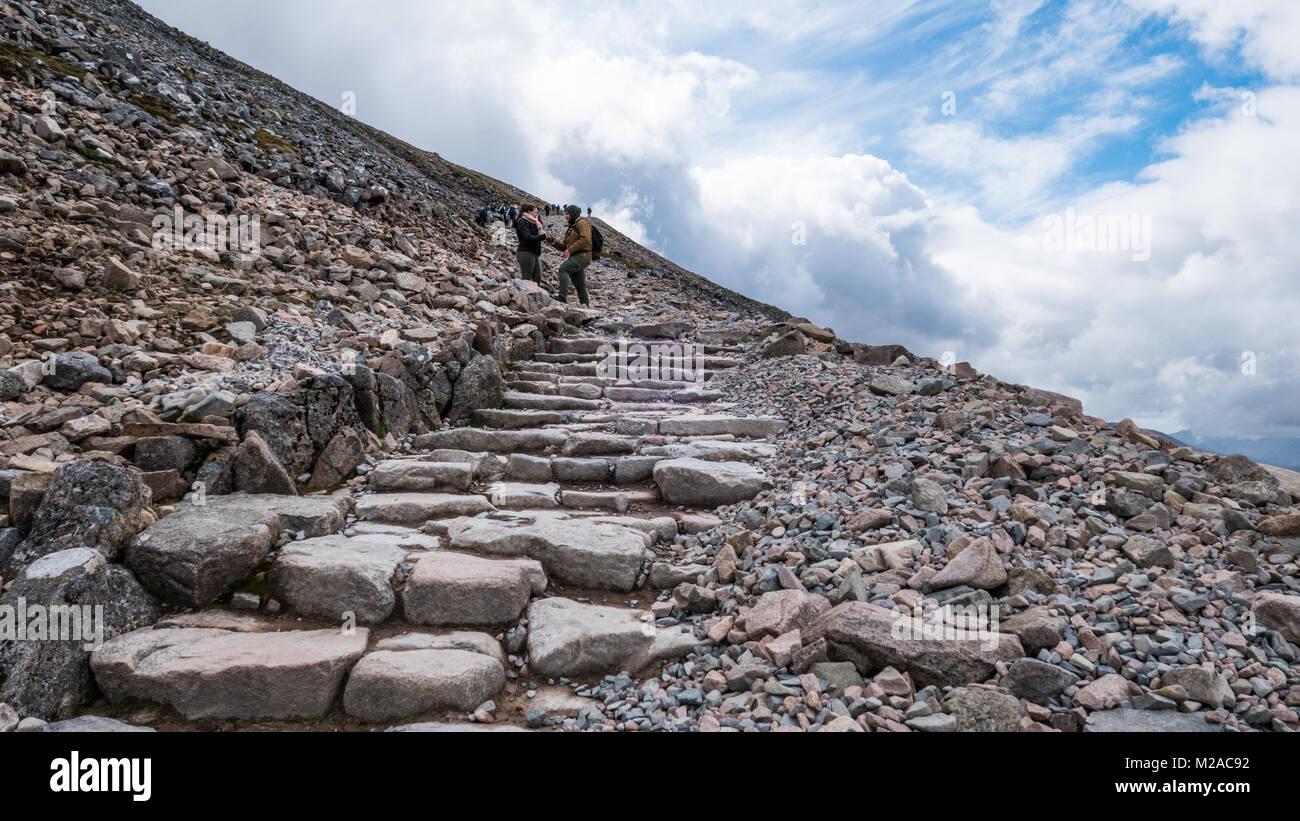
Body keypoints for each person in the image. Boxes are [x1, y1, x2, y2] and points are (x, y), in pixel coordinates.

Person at [552, 204, 592, 305]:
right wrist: (553, 242)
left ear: (573, 214)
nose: (566, 216)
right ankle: (586, 308)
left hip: (583, 256)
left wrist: (570, 250)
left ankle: (562, 297)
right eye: (565, 213)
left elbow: (585, 239)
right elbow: (564, 247)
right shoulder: (571, 227)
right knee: (580, 286)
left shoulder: (582, 223)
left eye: (567, 214)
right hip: (576, 257)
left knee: (563, 269)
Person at [513, 204, 549, 285]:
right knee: (527, 278)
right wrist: (543, 236)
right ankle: (523, 296)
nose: (537, 214)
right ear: (529, 212)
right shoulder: (522, 222)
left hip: (534, 253)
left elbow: (536, 235)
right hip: (526, 252)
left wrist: (547, 237)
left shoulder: (534, 222)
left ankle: (534, 295)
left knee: (537, 277)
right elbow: (528, 238)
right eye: (535, 212)